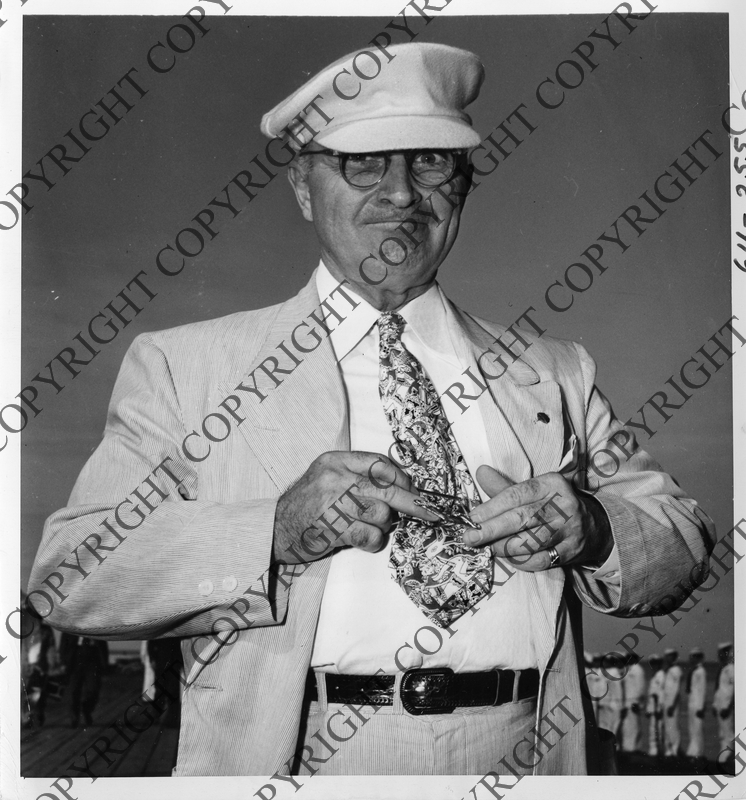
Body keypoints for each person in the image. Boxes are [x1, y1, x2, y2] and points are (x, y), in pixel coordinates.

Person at [29, 42, 715, 776]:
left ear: (466, 183)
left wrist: (597, 529)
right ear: (301, 187)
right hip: (306, 761)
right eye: (364, 163)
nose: (401, 194)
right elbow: (69, 576)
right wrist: (274, 531)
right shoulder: (186, 368)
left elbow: (684, 542)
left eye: (430, 162)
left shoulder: (555, 371)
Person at [58, 633, 108, 728]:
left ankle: (87, 709)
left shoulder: (96, 621)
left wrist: (105, 662)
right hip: (75, 657)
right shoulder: (70, 621)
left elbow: (103, 643)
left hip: (93, 655)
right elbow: (64, 641)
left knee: (93, 688)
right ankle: (74, 717)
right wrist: (63, 660)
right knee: (74, 689)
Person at [712, 642, 735, 764]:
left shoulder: (731, 669)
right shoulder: (722, 669)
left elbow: (735, 689)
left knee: (728, 732)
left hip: (727, 706)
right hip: (720, 705)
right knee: (722, 732)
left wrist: (729, 706)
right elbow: (719, 689)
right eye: (719, 653)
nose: (720, 656)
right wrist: (715, 705)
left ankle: (729, 757)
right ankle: (724, 757)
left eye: (723, 653)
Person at [621, 654, 646, 753]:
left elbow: (641, 687)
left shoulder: (638, 670)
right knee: (627, 726)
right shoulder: (628, 669)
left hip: (634, 703)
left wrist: (638, 703)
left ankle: (633, 748)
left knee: (634, 726)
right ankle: (628, 747)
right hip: (627, 703)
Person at [685, 647, 707, 760]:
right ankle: (692, 752)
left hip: (697, 705)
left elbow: (702, 690)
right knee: (692, 729)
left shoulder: (700, 671)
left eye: (694, 657)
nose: (691, 659)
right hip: (692, 704)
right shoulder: (693, 671)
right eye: (691, 657)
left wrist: (701, 706)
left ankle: (698, 753)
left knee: (697, 730)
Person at [597, 653, 624, 741]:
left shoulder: (613, 672)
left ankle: (613, 747)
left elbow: (616, 690)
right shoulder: (608, 672)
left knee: (612, 726)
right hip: (607, 703)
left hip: (612, 703)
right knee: (607, 725)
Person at [662, 648, 683, 757]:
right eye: (666, 656)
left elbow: (677, 689)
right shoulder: (668, 670)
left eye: (669, 656)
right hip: (666, 703)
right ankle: (668, 750)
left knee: (673, 727)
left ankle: (674, 750)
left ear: (674, 657)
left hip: (672, 704)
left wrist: (673, 705)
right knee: (667, 727)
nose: (667, 658)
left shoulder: (676, 670)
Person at [646, 654, 665, 757]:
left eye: (656, 663)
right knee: (652, 731)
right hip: (653, 708)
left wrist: (659, 708)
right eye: (652, 663)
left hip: (657, 708)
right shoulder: (654, 675)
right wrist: (648, 709)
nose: (653, 665)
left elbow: (661, 693)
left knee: (659, 731)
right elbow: (651, 694)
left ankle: (658, 752)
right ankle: (653, 751)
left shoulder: (661, 675)